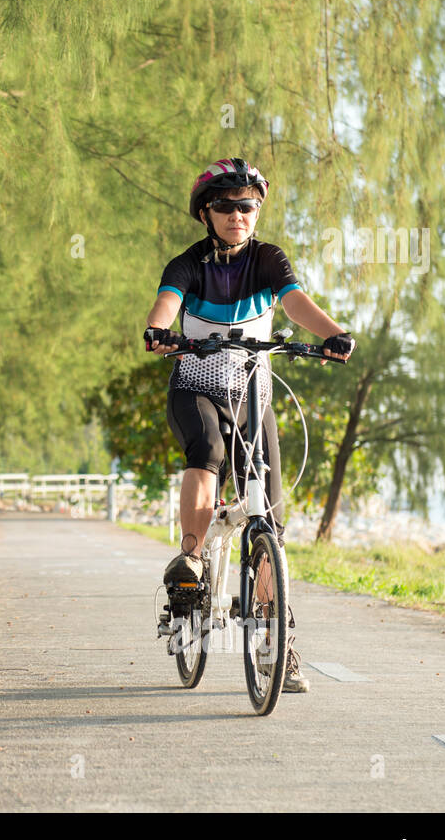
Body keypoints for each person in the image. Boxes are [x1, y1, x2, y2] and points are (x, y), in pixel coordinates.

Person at [143, 158, 355, 693]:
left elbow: (295, 303)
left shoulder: (268, 259)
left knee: (270, 516)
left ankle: (273, 641)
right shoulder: (189, 263)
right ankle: (191, 564)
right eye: (227, 207)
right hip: (195, 384)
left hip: (253, 393)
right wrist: (159, 329)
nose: (238, 215)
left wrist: (334, 333)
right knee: (208, 451)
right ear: (206, 213)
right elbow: (167, 302)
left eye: (248, 207)